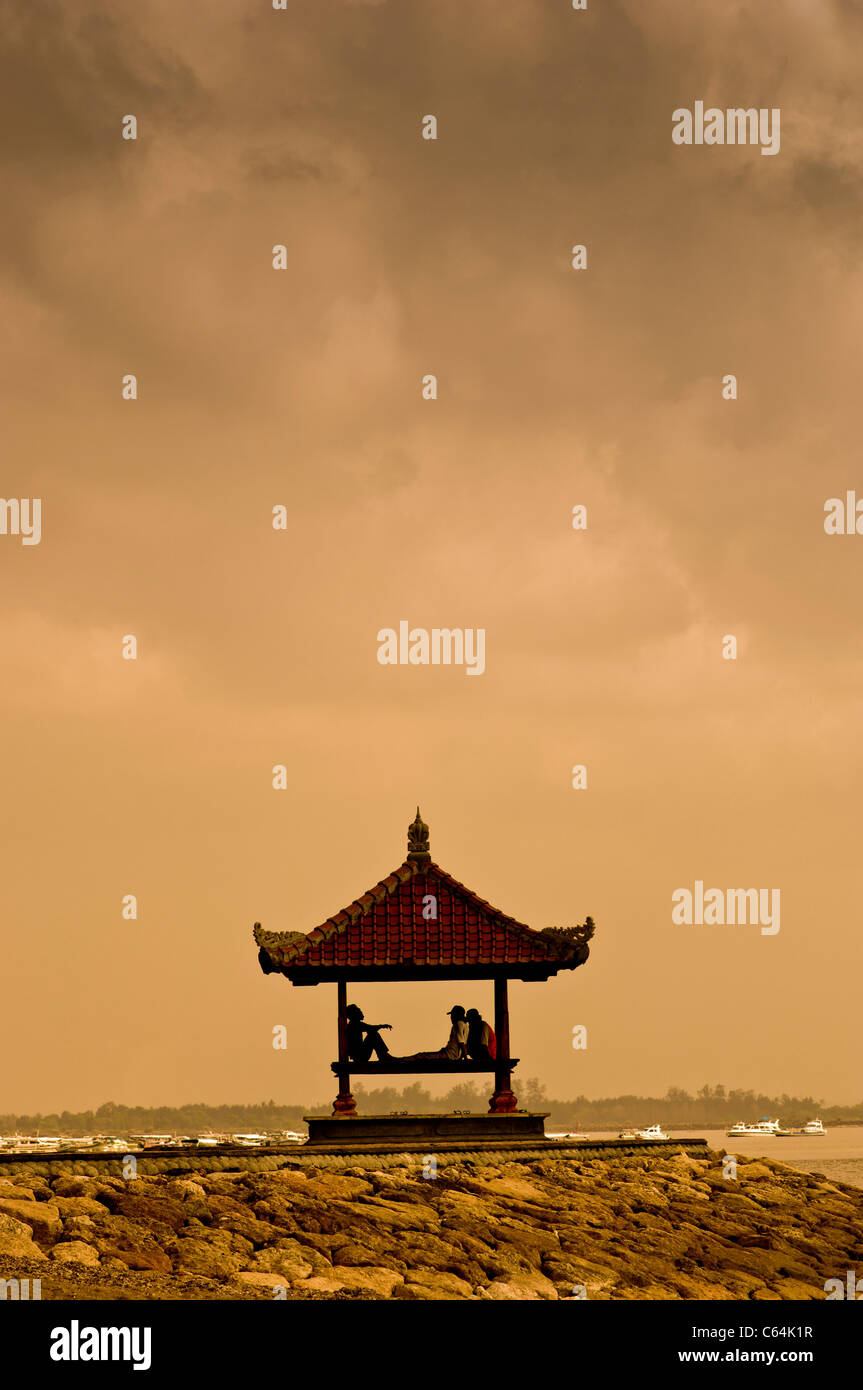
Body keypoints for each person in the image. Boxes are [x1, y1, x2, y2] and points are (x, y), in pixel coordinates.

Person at [395, 1006, 469, 1063]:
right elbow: (464, 1043)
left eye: (452, 1015)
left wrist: (465, 1059)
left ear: (456, 1015)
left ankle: (399, 1060)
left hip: (449, 1055)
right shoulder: (465, 1025)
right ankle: (400, 1059)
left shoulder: (458, 1024)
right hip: (450, 1054)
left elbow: (461, 1042)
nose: (451, 1018)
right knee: (422, 1056)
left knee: (421, 1056)